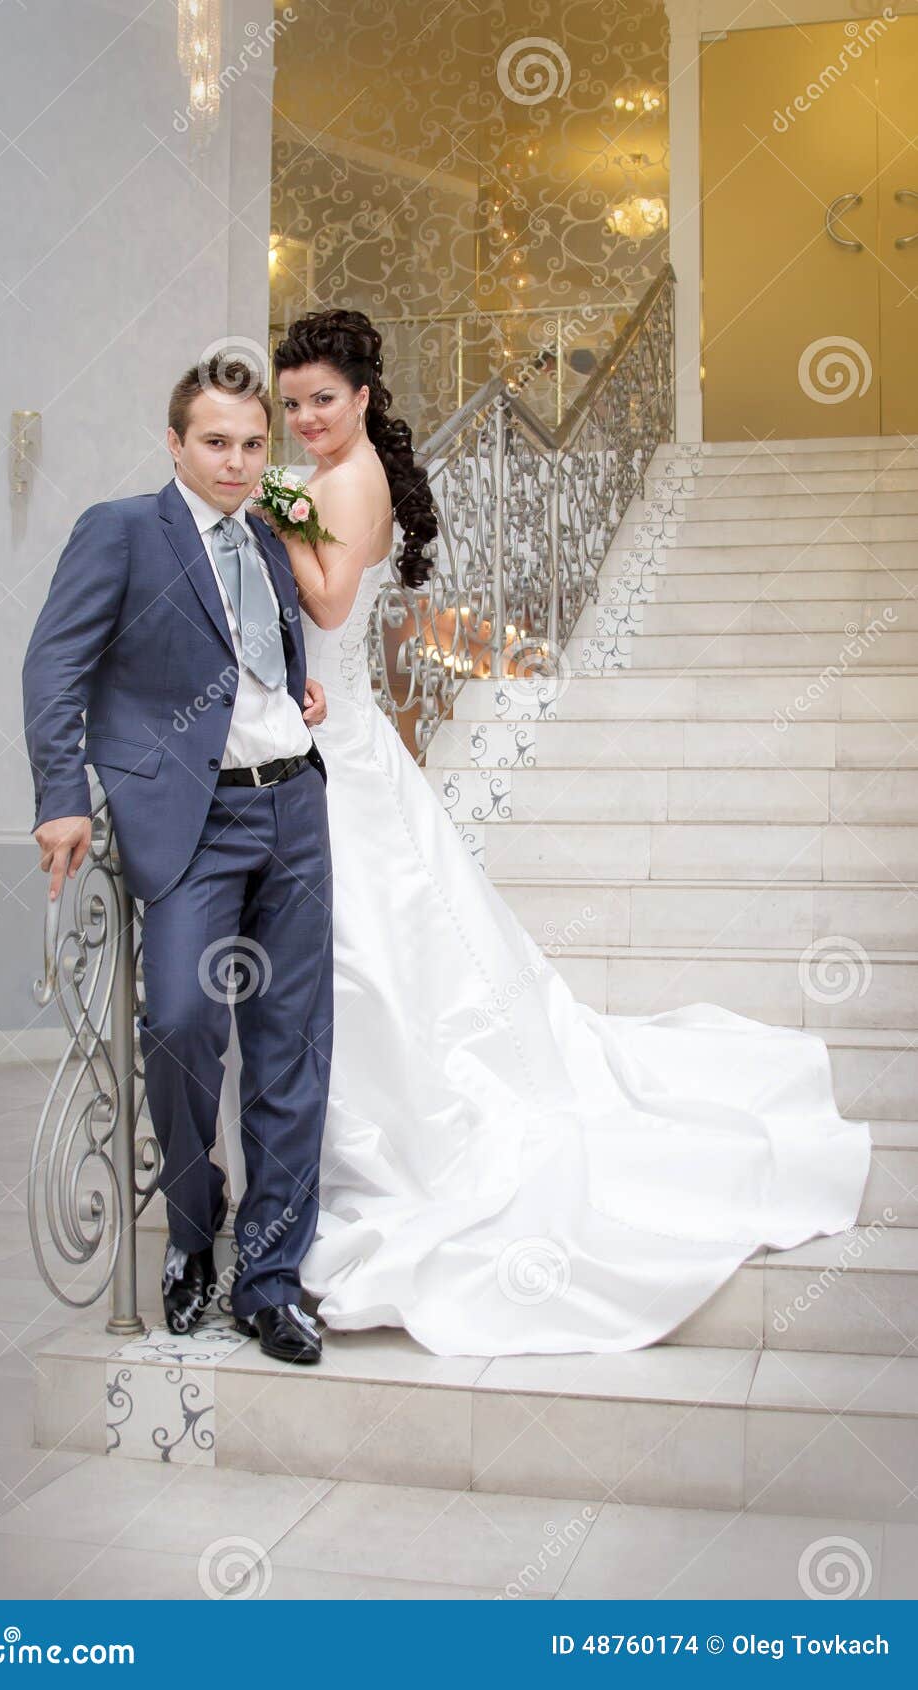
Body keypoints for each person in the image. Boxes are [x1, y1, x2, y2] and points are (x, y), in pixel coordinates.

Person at [260, 306, 872, 1358]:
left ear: (361, 399)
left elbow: (324, 608)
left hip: (344, 750)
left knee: (371, 948)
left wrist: (270, 515)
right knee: (364, 950)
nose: (306, 420)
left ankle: (382, 1149)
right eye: (293, 406)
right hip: (336, 734)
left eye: (322, 400)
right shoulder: (336, 476)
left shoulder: (342, 483)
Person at [21, 359, 333, 1365]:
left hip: (293, 807)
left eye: (252, 444)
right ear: (174, 443)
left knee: (290, 1048)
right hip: (189, 828)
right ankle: (196, 1232)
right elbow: (54, 664)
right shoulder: (121, 530)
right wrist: (62, 796)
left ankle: (272, 1282)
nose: (237, 462)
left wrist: (298, 694)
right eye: (216, 442)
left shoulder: (272, 537)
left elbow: (266, 653)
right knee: (183, 1023)